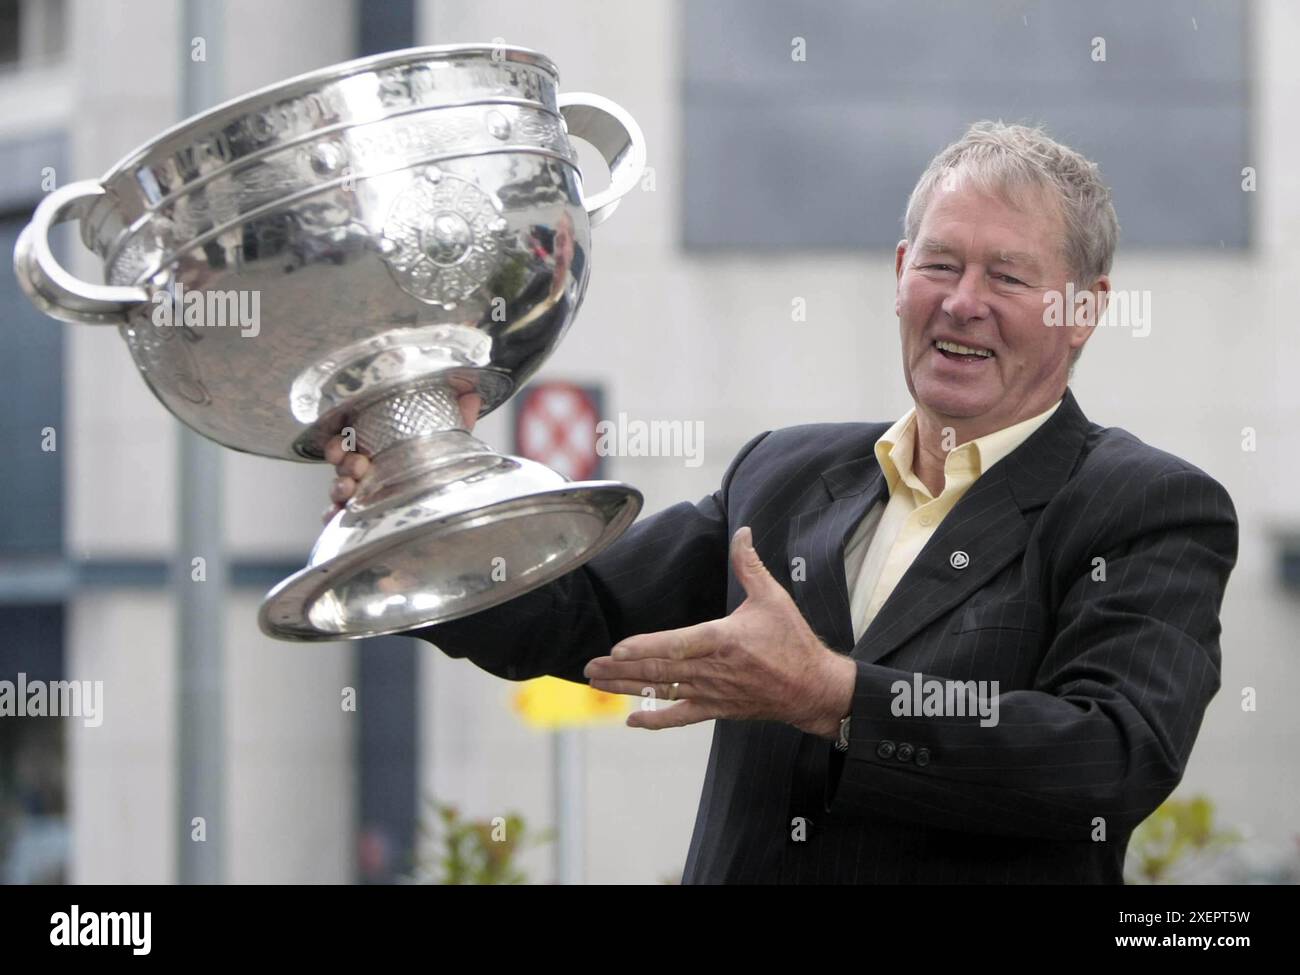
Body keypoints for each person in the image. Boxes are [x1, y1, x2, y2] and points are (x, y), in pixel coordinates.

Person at [322, 121, 1239, 884]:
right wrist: (420, 495)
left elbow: (1109, 753)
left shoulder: (1146, 506)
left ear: (1084, 309)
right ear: (898, 274)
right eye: (940, 265)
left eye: (1007, 277)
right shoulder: (787, 475)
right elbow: (576, 613)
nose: (963, 303)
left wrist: (835, 696)